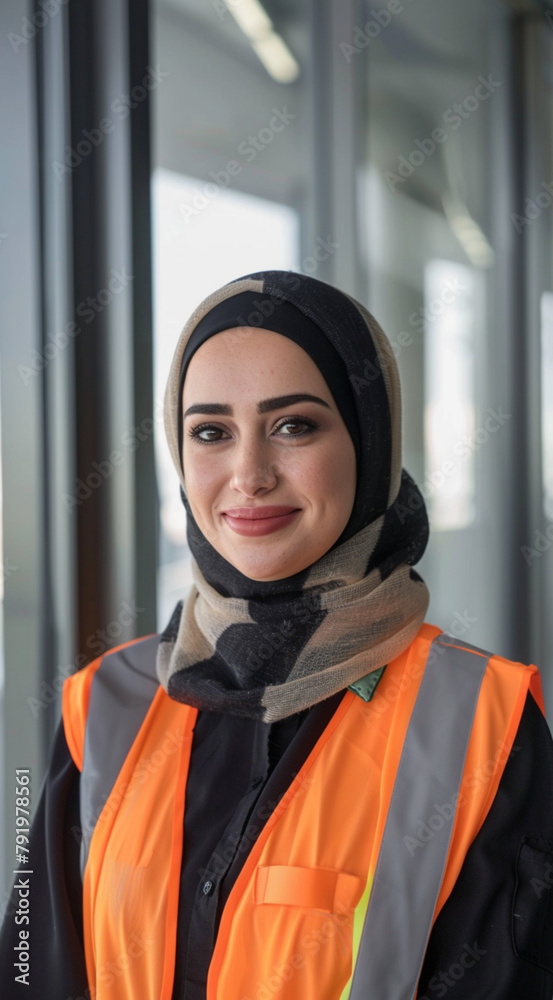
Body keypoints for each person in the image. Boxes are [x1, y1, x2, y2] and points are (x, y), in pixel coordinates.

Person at [1, 269, 553, 1000]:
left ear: (368, 441)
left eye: (294, 425)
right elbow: (31, 970)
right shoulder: (106, 704)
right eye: (210, 432)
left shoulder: (486, 721)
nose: (249, 474)